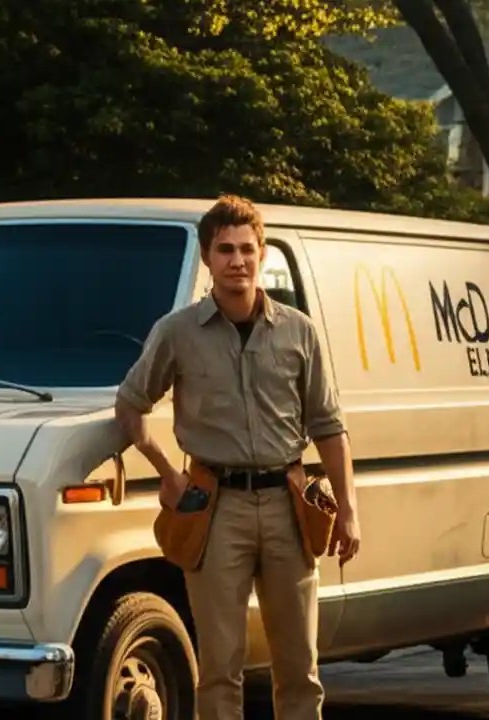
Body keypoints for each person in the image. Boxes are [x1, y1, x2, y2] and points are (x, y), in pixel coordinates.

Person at [115, 194, 361, 719]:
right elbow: (131, 406)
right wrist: (165, 473)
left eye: (247, 249)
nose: (237, 260)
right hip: (212, 507)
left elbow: (329, 427)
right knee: (220, 667)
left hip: (288, 506)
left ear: (263, 253)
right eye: (225, 249)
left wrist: (348, 510)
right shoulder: (177, 333)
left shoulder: (299, 332)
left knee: (299, 666)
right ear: (207, 257)